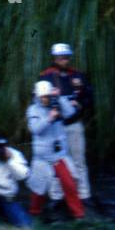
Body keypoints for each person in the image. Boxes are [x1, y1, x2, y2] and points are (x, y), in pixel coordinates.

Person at [38, 43, 96, 207]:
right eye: (60, 57)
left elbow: (89, 96)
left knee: (79, 160)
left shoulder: (78, 75)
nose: (63, 60)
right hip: (54, 127)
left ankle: (84, 195)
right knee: (56, 162)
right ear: (54, 58)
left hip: (74, 124)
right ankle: (56, 197)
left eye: (66, 57)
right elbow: (38, 100)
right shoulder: (46, 76)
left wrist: (79, 103)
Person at [26, 79, 85, 221]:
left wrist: (59, 98)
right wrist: (49, 118)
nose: (45, 99)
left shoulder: (57, 103)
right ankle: (34, 212)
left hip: (59, 155)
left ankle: (79, 214)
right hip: (42, 157)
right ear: (38, 96)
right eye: (43, 97)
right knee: (38, 189)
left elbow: (71, 113)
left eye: (47, 96)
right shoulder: (33, 110)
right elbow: (35, 129)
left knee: (69, 183)